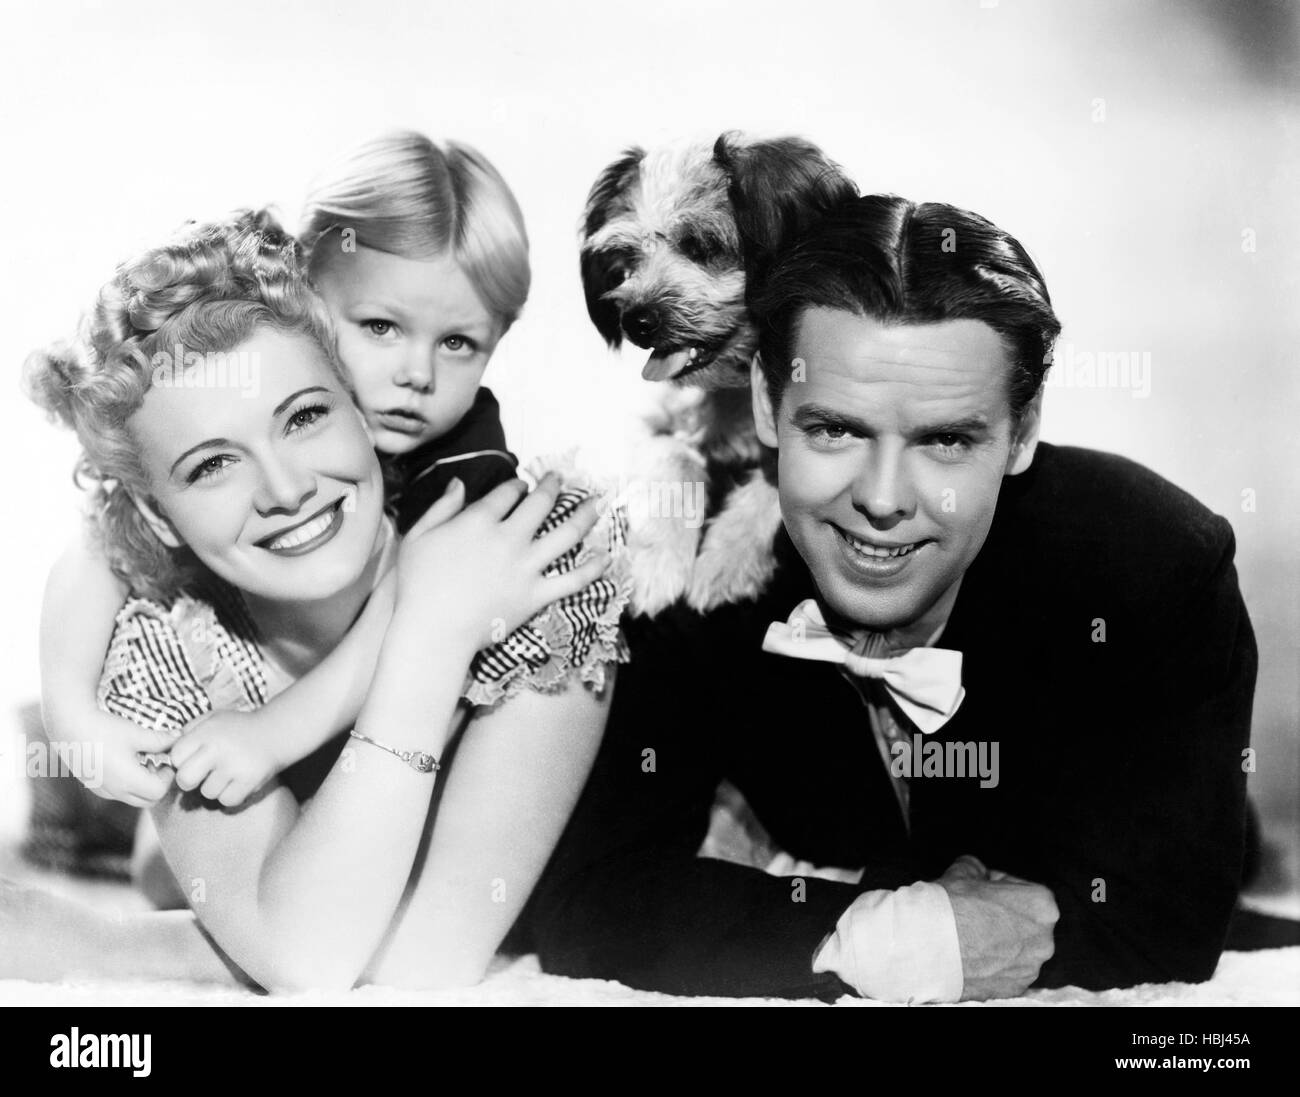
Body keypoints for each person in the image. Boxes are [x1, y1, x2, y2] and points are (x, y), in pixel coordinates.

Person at [515, 193, 1257, 1001]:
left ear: (1023, 430)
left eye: (945, 439)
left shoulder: (1152, 567)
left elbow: (1165, 922)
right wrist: (907, 941)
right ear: (766, 403)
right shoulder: (684, 562)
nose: (882, 498)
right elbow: (590, 898)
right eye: (835, 430)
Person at [20, 210, 626, 991]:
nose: (288, 489)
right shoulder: (167, 654)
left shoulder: (535, 566)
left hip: (581, 842)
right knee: (163, 862)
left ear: (362, 402)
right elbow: (310, 956)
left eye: (305, 416)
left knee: (202, 882)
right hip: (233, 737)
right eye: (212, 465)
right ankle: (105, 814)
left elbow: (423, 957)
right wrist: (72, 709)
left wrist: (112, 946)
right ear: (159, 515)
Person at [39, 131, 548, 820]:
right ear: (308, 296)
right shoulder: (265, 370)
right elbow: (98, 546)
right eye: (379, 326)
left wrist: (272, 736)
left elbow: (416, 614)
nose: (417, 376)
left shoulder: (467, 461)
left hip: (376, 735)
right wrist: (70, 714)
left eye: (458, 342)